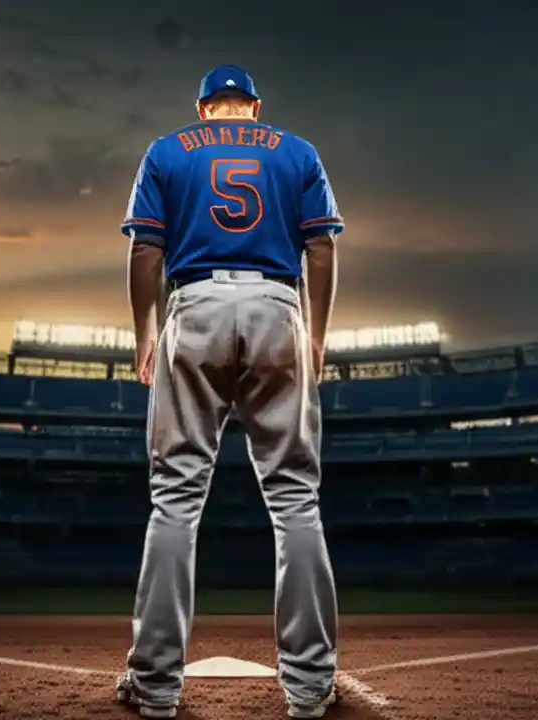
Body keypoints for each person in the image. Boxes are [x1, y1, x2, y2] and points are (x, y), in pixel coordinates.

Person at [115, 64, 343, 719]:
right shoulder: (296, 150)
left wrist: (144, 333)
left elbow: (145, 254)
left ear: (205, 107)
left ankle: (156, 687)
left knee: (175, 502)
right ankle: (308, 688)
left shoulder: (167, 149)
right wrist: (316, 334)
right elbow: (321, 248)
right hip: (278, 306)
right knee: (296, 499)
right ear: (253, 106)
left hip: (195, 306)